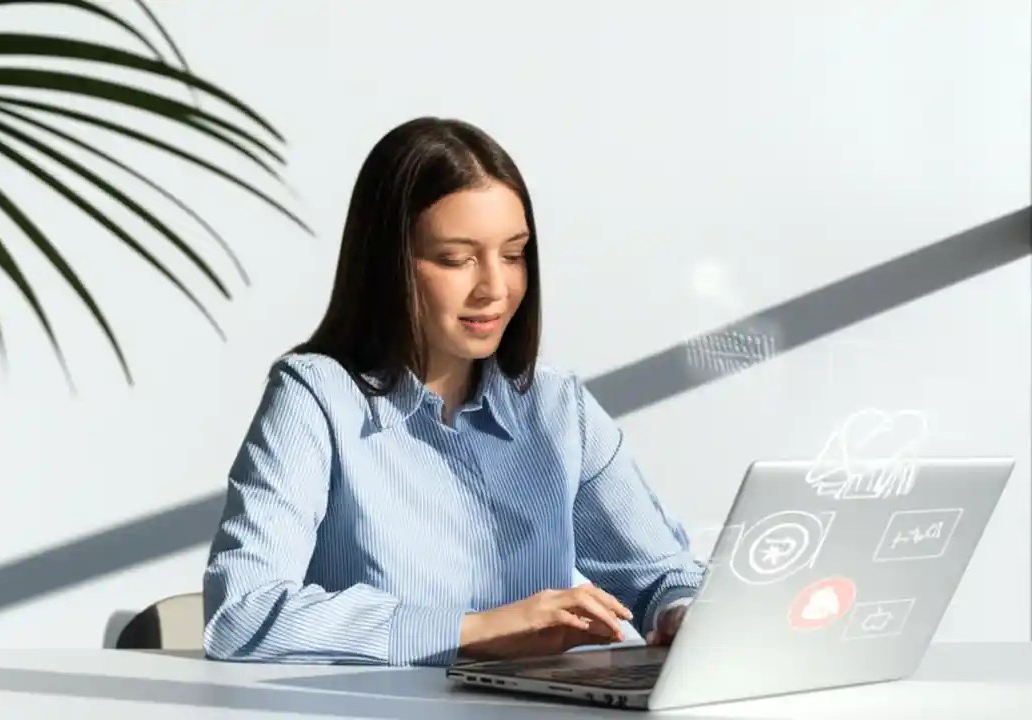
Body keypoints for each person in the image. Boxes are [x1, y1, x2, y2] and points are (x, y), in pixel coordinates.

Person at [202, 116, 706, 666]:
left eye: (513, 254)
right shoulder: (316, 397)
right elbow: (242, 614)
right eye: (456, 259)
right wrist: (476, 630)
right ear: (388, 265)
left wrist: (681, 611)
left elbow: (662, 575)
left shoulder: (557, 407)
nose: (494, 288)